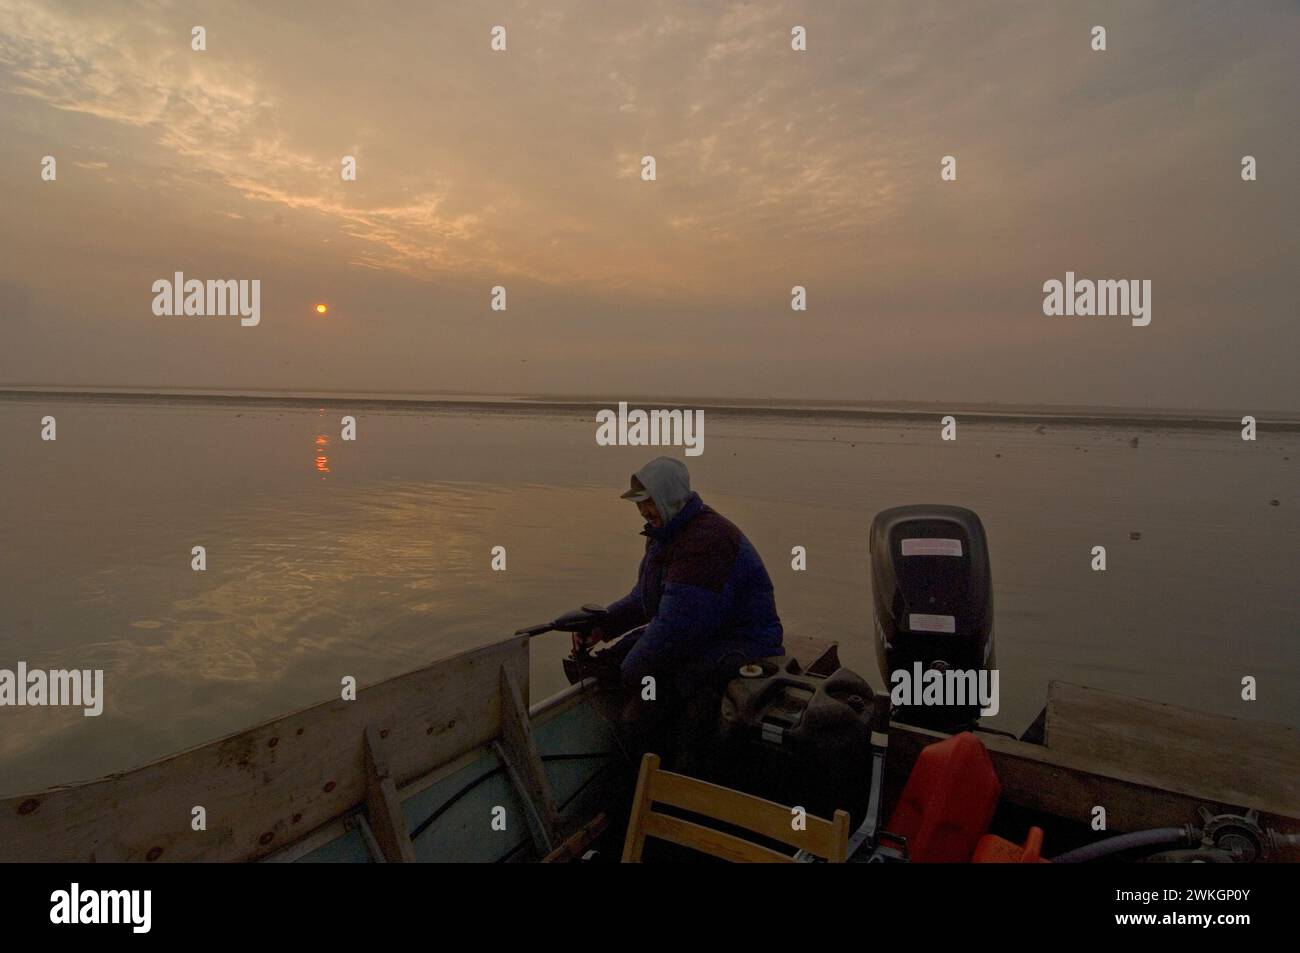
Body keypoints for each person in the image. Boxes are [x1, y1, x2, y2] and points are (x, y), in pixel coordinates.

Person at [578, 456, 783, 764]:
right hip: (706, 634)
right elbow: (645, 599)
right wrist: (604, 625)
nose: (645, 512)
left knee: (662, 695)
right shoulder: (667, 533)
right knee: (625, 662)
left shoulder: (705, 542)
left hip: (745, 642)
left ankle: (679, 777)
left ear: (670, 497)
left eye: (651, 503)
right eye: (640, 505)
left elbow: (677, 626)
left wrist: (630, 672)